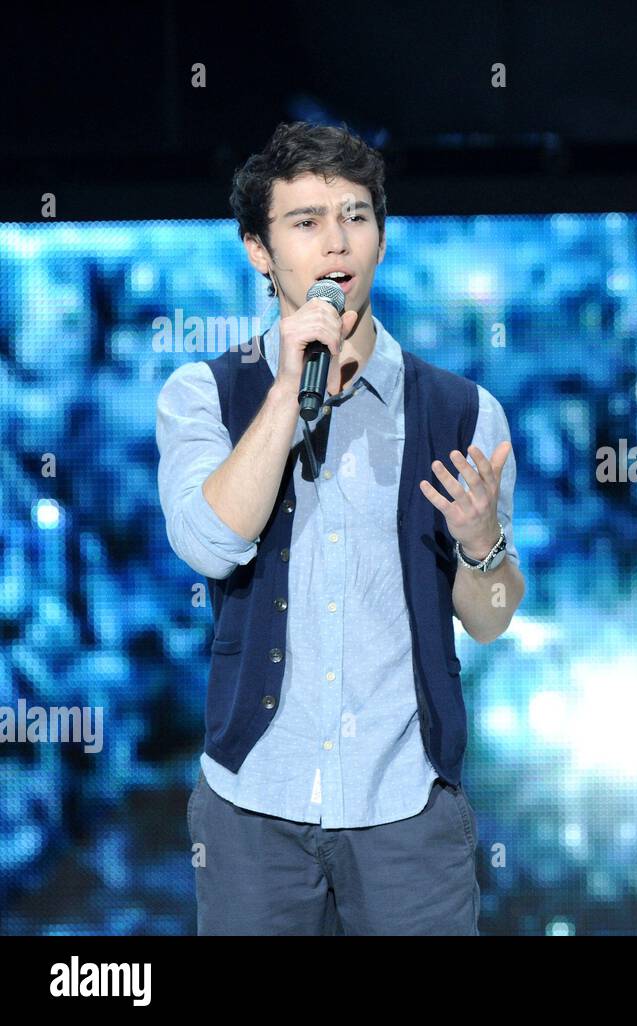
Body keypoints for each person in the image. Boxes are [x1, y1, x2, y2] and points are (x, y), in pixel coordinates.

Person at [156, 121, 525, 934]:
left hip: (407, 811)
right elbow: (209, 541)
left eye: (356, 216)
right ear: (259, 250)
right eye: (307, 221)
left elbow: (492, 617)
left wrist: (480, 542)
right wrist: (289, 389)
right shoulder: (204, 394)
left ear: (382, 239)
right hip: (254, 806)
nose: (336, 242)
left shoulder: (461, 410)